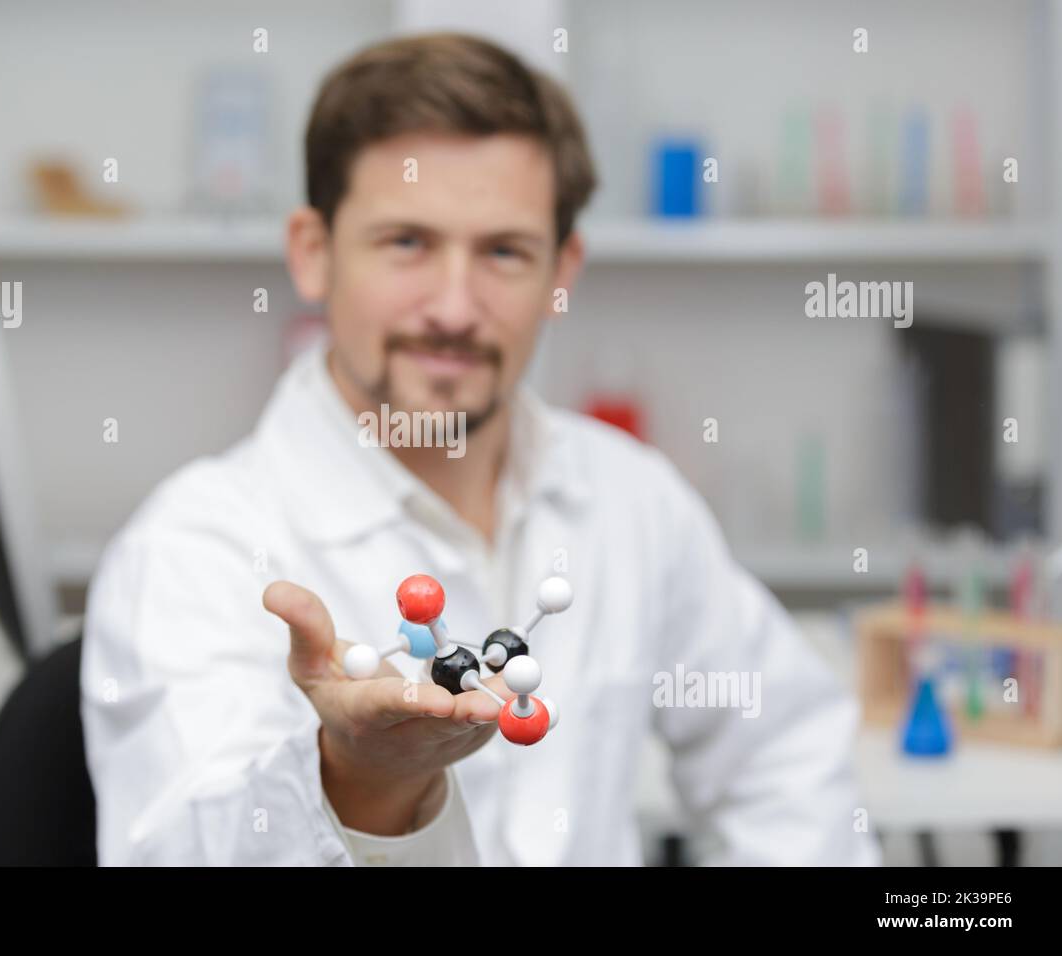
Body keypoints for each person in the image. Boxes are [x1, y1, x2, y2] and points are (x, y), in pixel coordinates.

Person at [81, 32, 878, 866]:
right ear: (314, 253)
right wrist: (362, 781)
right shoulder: (194, 548)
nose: (455, 308)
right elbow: (180, 848)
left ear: (561, 272)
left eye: (504, 252)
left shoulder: (632, 501)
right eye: (407, 244)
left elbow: (787, 762)